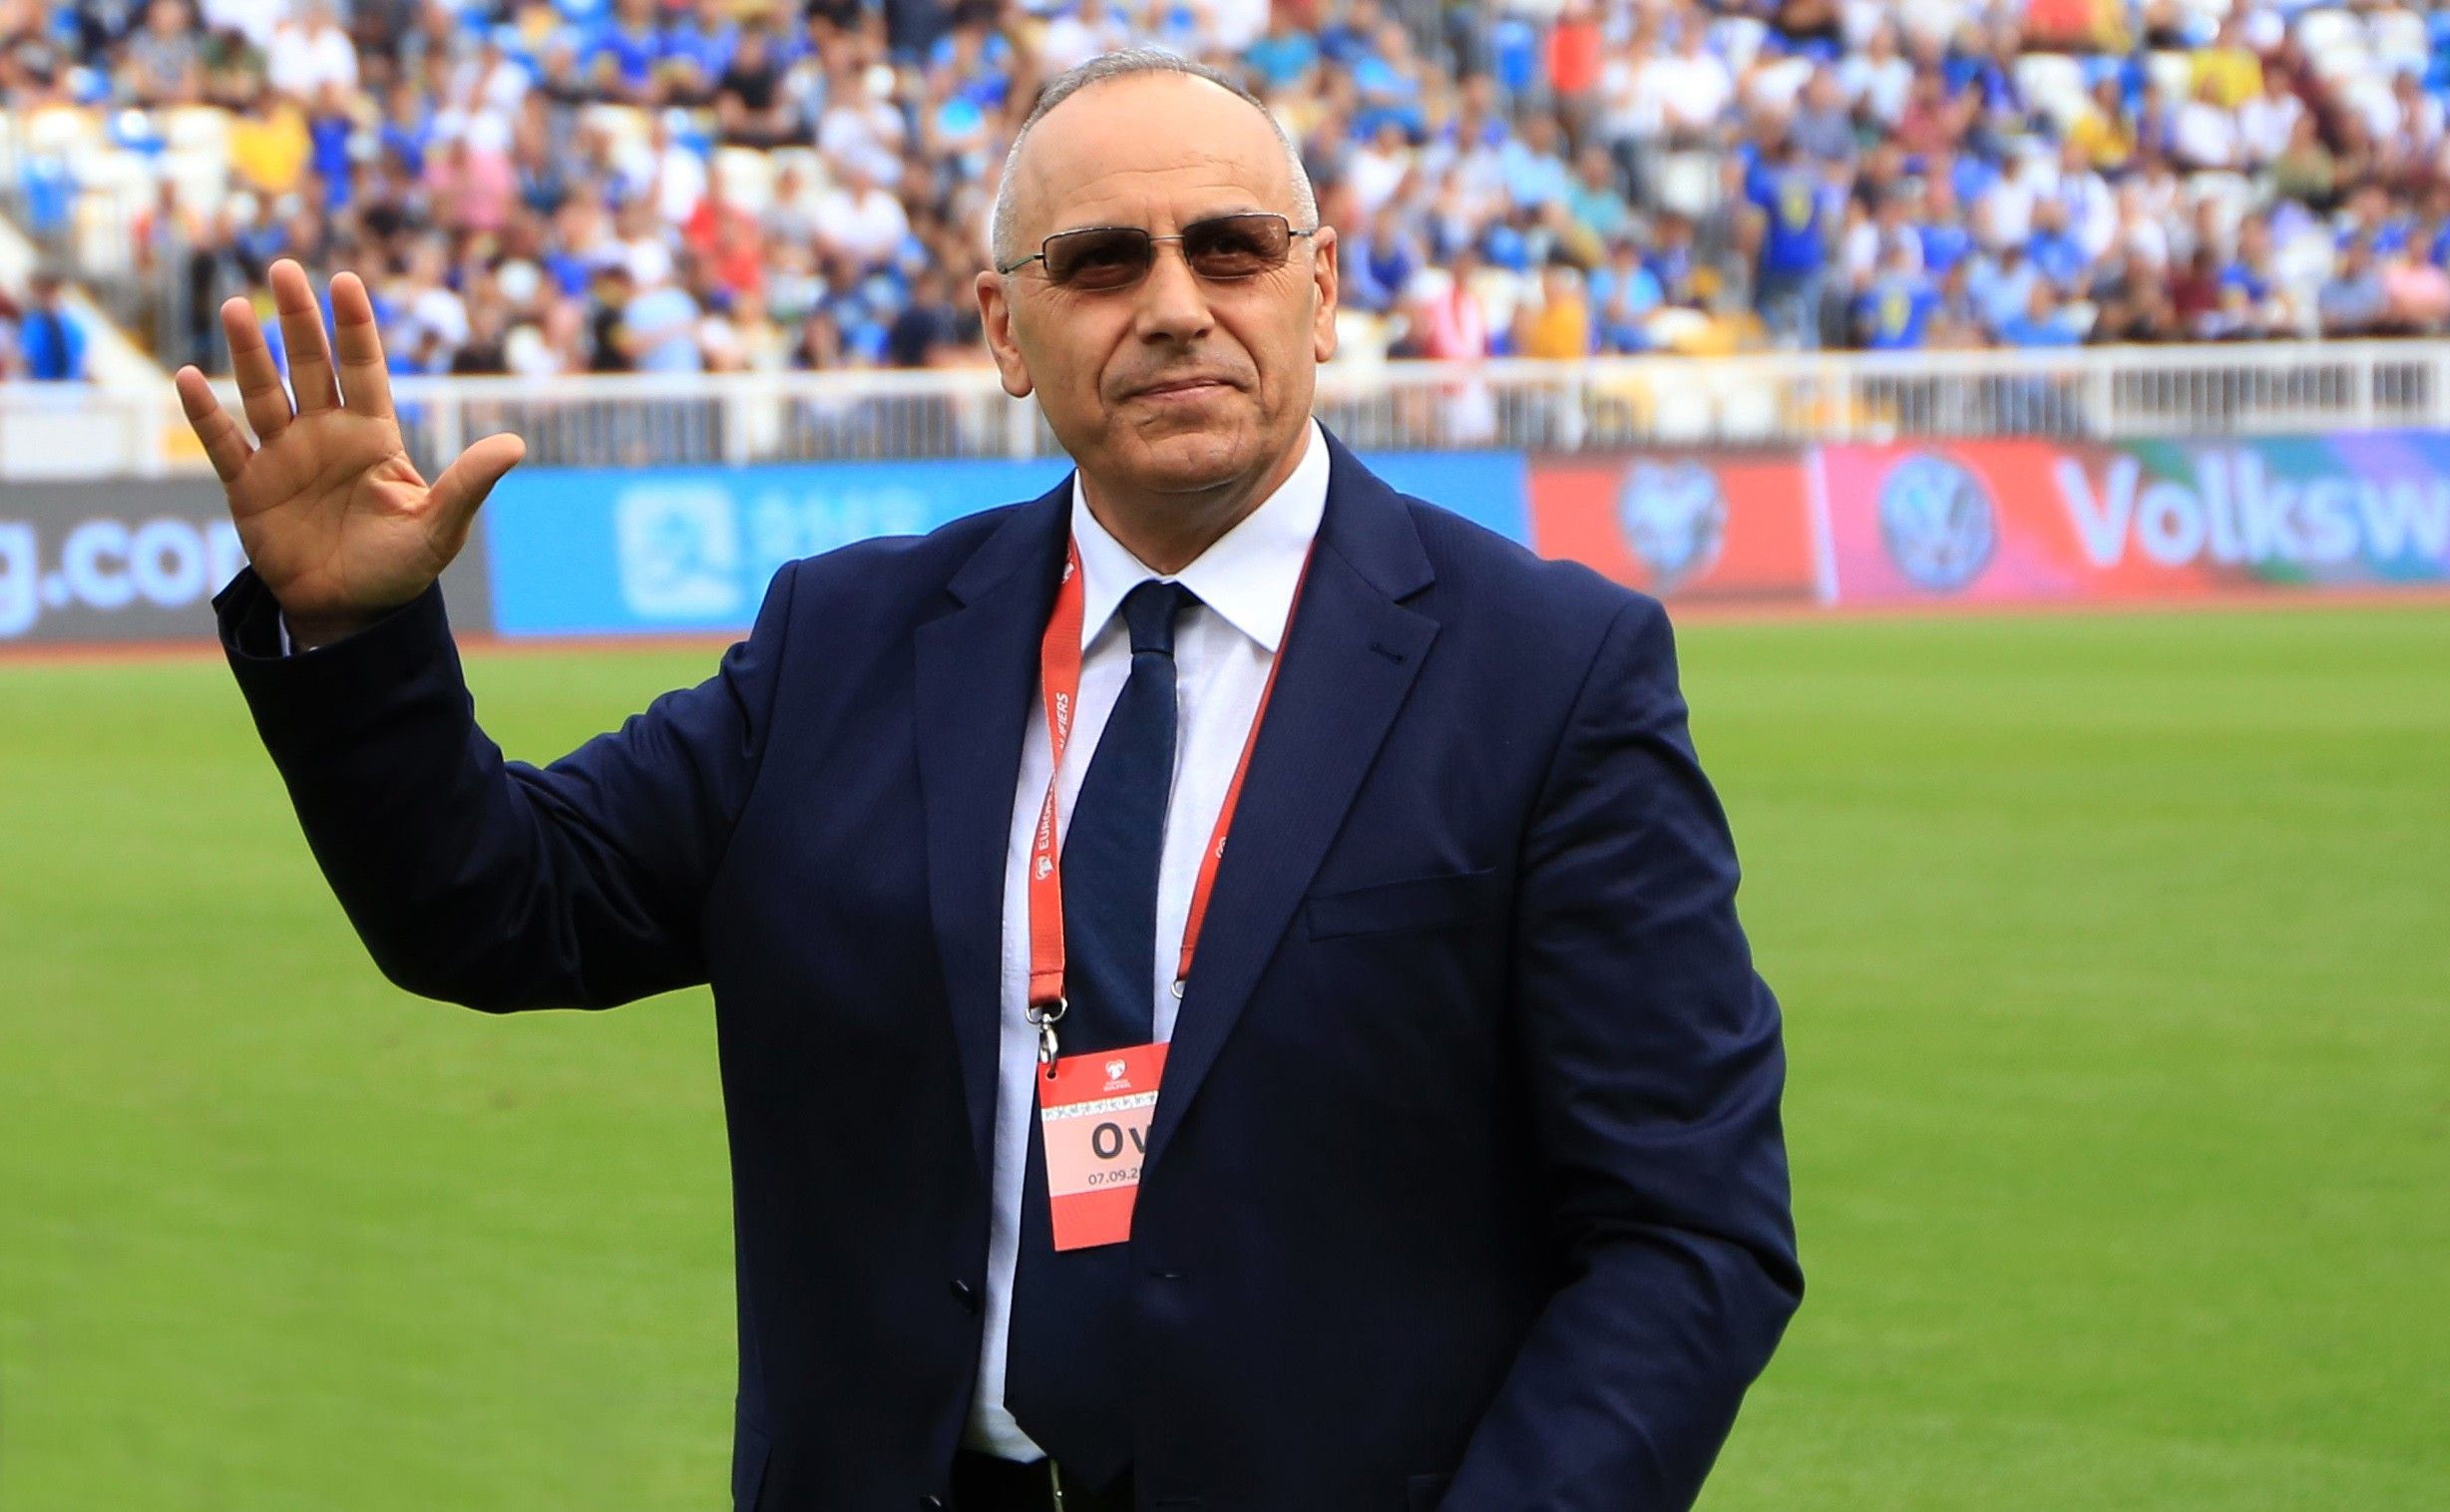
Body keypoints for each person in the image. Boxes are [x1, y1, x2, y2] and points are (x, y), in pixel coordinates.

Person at [175, 50, 1798, 1512]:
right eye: (1101, 262)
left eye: (1230, 248)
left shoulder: (1547, 674)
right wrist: (358, 635)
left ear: (1320, 289)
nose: (1176, 305)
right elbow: (494, 905)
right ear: (1008, 331)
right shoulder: (842, 646)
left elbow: (1690, 1228)